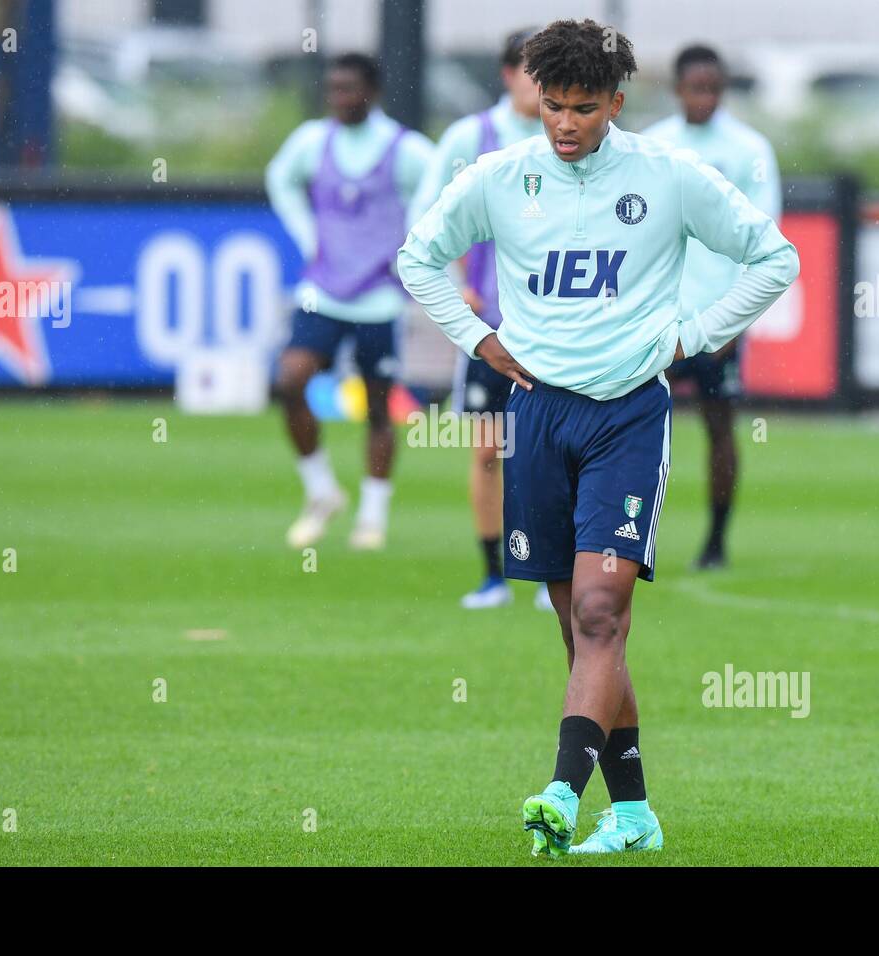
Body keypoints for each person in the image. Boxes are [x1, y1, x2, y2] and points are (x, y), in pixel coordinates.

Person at [398, 19, 798, 857]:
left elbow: (772, 258)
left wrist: (692, 336)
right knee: (579, 630)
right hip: (536, 416)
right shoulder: (499, 178)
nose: (566, 124)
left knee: (600, 610)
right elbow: (419, 259)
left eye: (585, 107)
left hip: (626, 415)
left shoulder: (670, 177)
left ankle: (559, 791)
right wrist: (479, 341)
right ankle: (636, 813)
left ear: (618, 102)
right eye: (553, 107)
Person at [407, 28, 553, 611]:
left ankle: (548, 574)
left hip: (554, 332)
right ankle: (493, 575)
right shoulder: (473, 138)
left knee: (546, 452)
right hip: (491, 332)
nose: (539, 85)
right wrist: (454, 286)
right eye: (529, 71)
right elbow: (425, 220)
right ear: (507, 73)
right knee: (489, 451)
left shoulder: (568, 137)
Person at [265, 53, 433, 550]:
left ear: (373, 92)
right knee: (291, 377)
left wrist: (410, 243)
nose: (339, 98)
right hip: (323, 291)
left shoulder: (403, 149)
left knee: (378, 408)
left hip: (379, 298)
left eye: (349, 88)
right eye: (333, 88)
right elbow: (280, 180)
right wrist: (308, 237)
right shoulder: (313, 142)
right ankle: (321, 491)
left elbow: (444, 185)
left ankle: (372, 516)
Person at [642, 44, 782, 570]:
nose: (704, 97)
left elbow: (764, 241)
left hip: (718, 321)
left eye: (713, 88)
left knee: (719, 426)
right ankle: (636, 534)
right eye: (695, 87)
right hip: (657, 318)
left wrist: (737, 320)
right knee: (639, 426)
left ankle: (716, 541)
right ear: (677, 89)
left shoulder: (749, 150)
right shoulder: (653, 146)